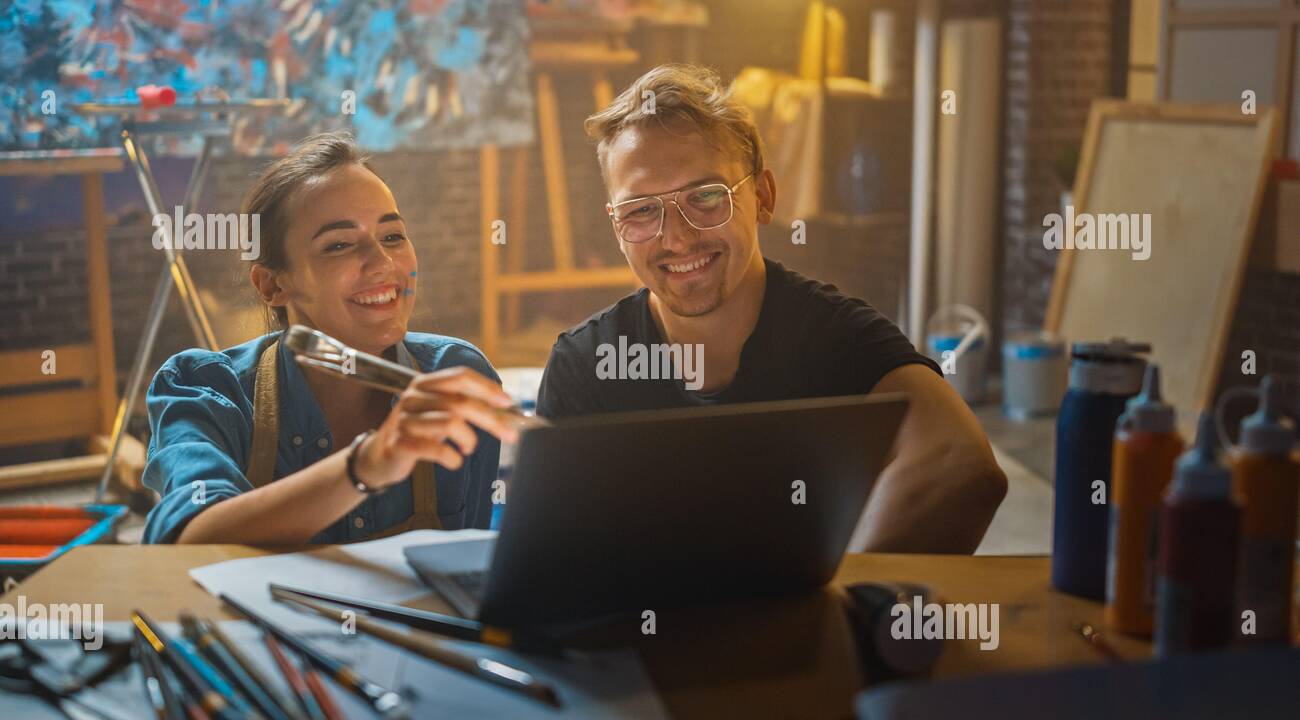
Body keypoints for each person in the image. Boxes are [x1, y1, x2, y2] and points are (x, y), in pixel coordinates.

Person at [536, 64, 1007, 554]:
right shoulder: (585, 368)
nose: (675, 237)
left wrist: (837, 602)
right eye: (640, 210)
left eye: (705, 197)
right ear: (617, 227)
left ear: (762, 196)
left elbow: (963, 463)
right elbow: (548, 554)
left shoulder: (833, 337)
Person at [141, 132, 518, 546]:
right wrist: (365, 467)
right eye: (339, 245)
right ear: (271, 286)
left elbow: (467, 573)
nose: (382, 263)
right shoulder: (206, 389)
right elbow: (188, 542)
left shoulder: (456, 373)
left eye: (392, 236)